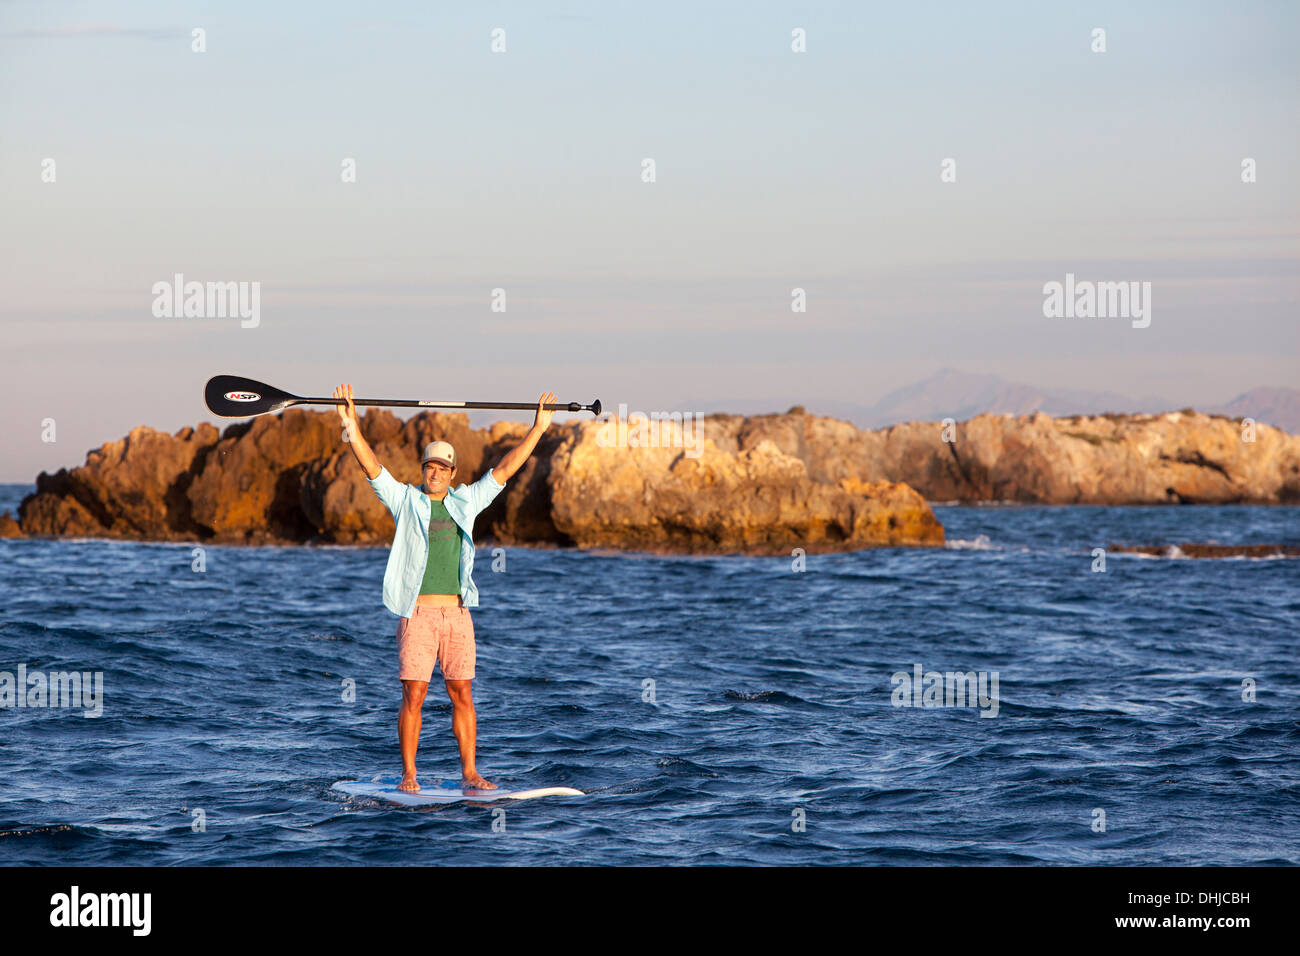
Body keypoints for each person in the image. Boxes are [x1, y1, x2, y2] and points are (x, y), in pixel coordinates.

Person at [334, 383, 557, 791]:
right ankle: (409, 774)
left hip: (457, 614)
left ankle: (470, 773)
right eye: (428, 467)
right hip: (416, 613)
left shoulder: (466, 501)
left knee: (462, 694)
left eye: (441, 468)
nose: (434, 473)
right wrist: (351, 425)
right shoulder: (405, 501)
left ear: (453, 474)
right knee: (414, 696)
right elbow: (372, 468)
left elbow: (506, 470)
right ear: (422, 470)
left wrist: (539, 429)